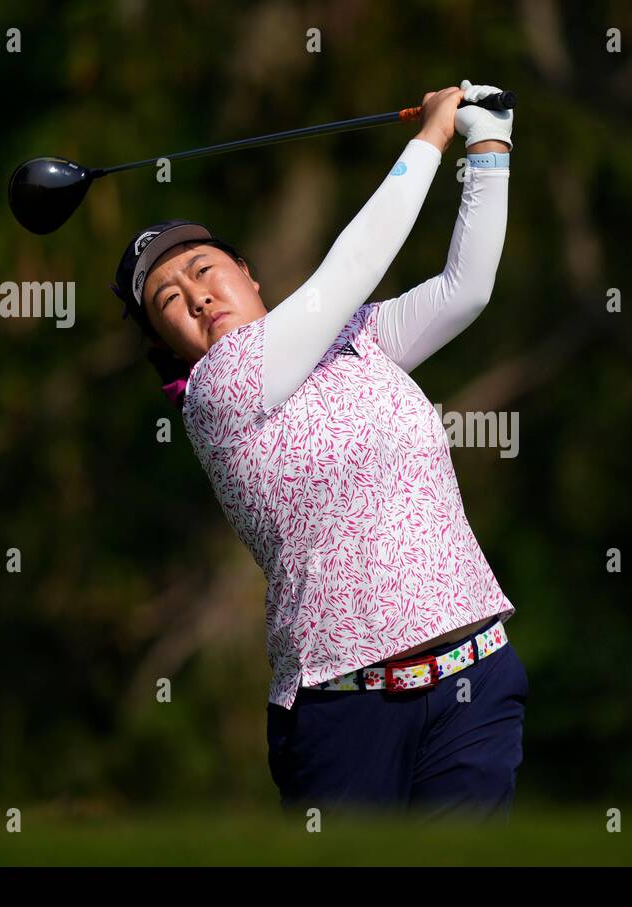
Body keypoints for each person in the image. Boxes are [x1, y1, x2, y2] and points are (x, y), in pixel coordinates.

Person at [110, 82, 526, 822]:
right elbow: (346, 272)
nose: (196, 296)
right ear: (163, 344)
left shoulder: (357, 337)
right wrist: (432, 138)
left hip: (475, 679)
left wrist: (489, 143)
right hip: (347, 715)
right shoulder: (217, 390)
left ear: (249, 275)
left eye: (205, 270)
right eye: (168, 300)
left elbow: (466, 290)